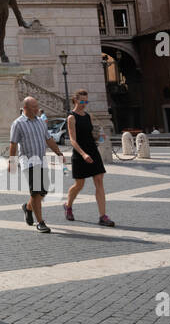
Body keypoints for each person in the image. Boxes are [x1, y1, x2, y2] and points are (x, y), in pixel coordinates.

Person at [9, 96, 64, 233]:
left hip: (41, 159)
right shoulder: (18, 123)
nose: (37, 109)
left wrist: (58, 152)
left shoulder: (41, 122)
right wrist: (12, 161)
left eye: (37, 106)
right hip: (28, 161)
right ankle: (40, 222)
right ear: (26, 108)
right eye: (34, 107)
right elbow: (13, 143)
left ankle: (28, 208)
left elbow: (48, 139)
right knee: (35, 191)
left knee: (43, 190)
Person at [62, 90, 114, 226]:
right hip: (80, 153)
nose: (84, 104)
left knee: (99, 181)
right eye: (82, 101)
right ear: (75, 100)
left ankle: (103, 216)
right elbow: (72, 140)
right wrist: (83, 154)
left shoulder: (88, 116)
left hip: (93, 150)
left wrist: (100, 137)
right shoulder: (71, 118)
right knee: (79, 184)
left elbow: (90, 134)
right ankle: (68, 205)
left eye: (86, 101)